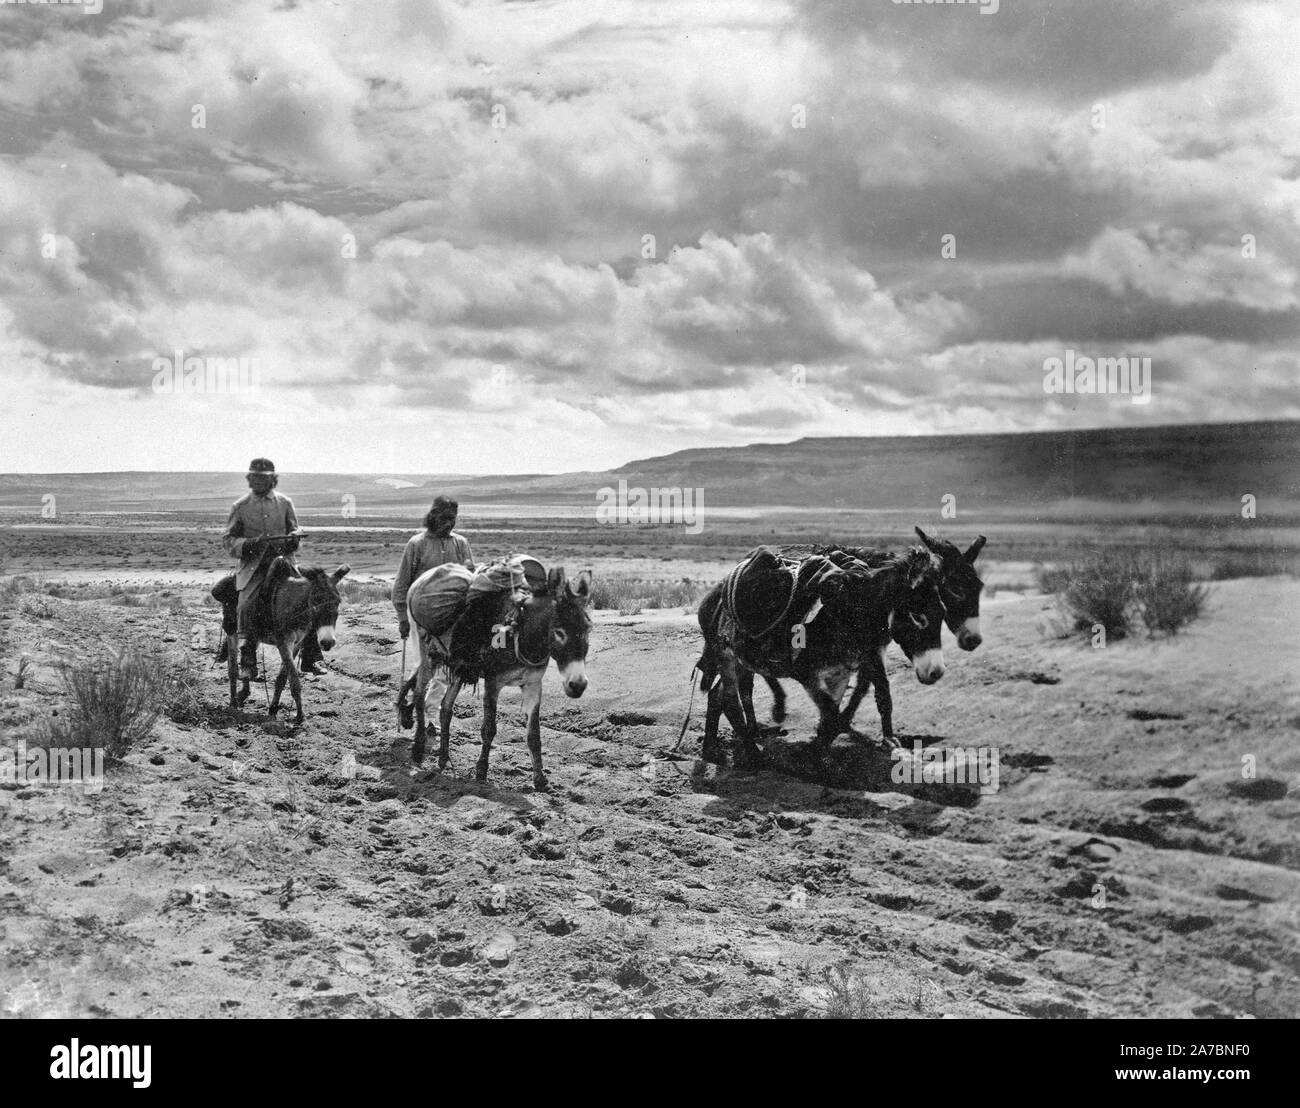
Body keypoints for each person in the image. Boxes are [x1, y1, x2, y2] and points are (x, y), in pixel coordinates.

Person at [222, 458, 303, 680]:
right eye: (254, 477)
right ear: (249, 479)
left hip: (284, 564)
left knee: (313, 595)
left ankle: (312, 655)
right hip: (254, 567)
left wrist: (294, 539)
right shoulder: (240, 507)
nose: (258, 481)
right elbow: (229, 541)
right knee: (246, 605)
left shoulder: (285, 503)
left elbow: (294, 530)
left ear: (272, 480)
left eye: (263, 478)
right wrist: (248, 544)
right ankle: (248, 658)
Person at [391, 495, 475, 642]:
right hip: (423, 615)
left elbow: (471, 577)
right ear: (433, 516)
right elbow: (402, 582)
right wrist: (403, 618)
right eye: (444, 518)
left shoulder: (461, 543)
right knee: (426, 662)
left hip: (455, 613)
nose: (449, 524)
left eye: (452, 519)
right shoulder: (417, 544)